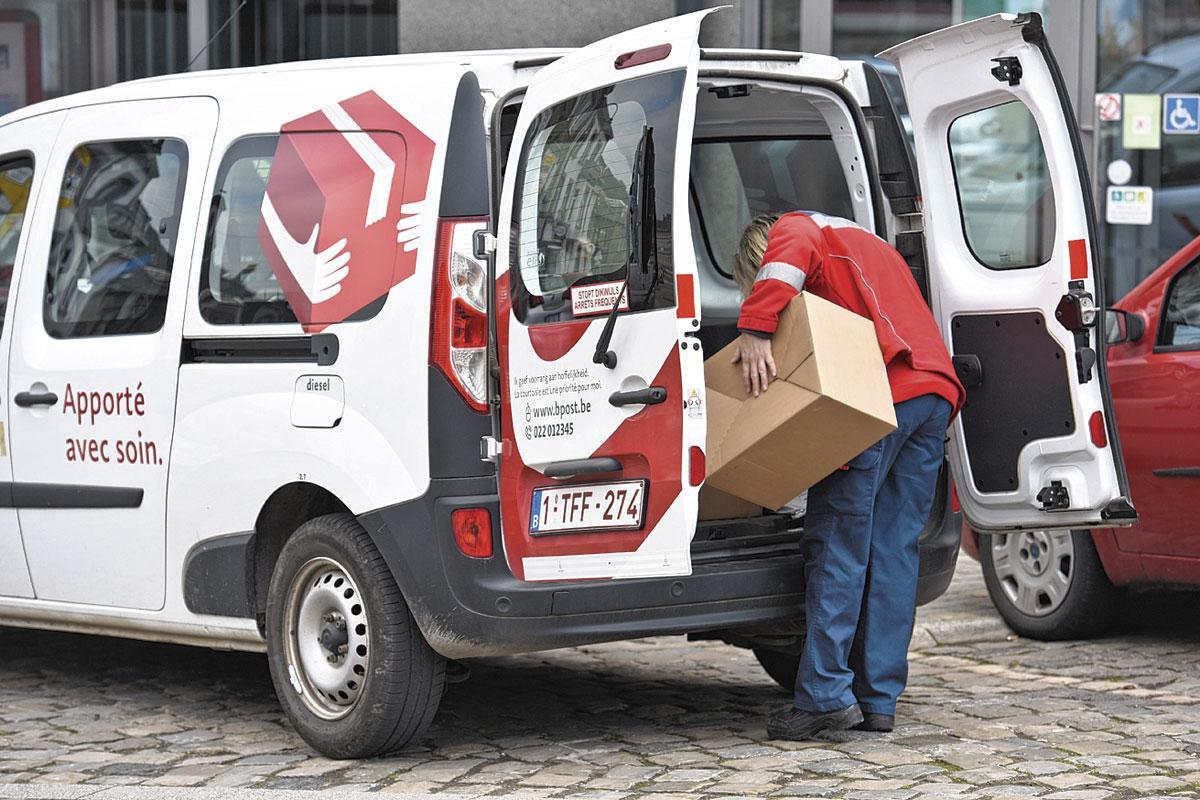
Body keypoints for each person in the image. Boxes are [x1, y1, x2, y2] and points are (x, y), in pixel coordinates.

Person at [731, 211, 965, 740]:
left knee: (838, 544)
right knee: (893, 552)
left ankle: (823, 699)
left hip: (876, 396)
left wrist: (756, 325)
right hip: (933, 395)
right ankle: (878, 699)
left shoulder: (796, 227)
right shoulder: (870, 243)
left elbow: (789, 257)